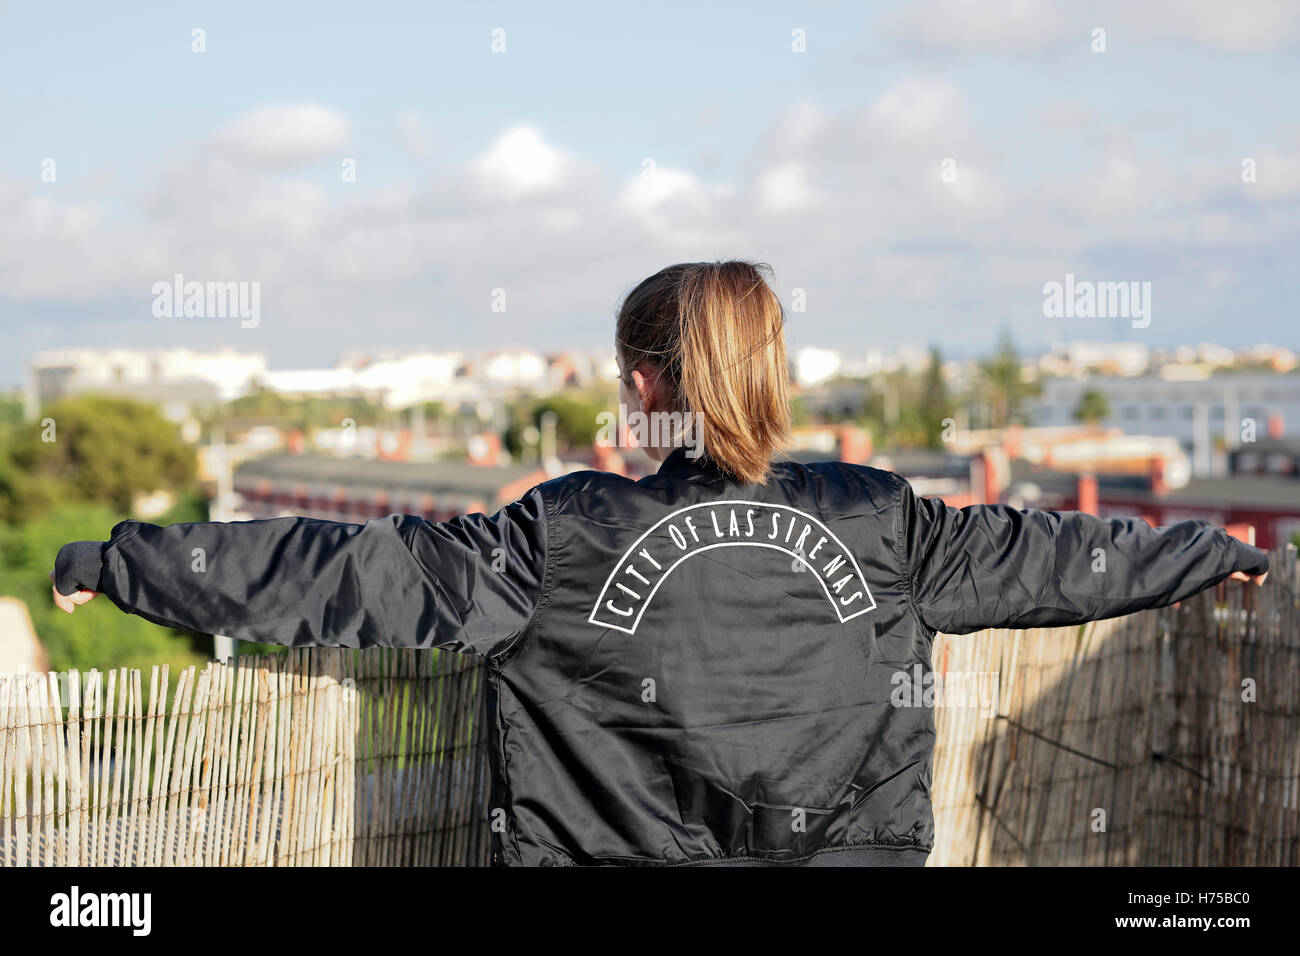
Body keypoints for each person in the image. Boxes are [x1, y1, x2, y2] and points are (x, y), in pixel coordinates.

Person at [52, 260, 1268, 867]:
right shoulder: (886, 522)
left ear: (644, 382)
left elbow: (337, 573)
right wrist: (1211, 548)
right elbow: (1066, 556)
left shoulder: (557, 537)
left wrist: (125, 560)